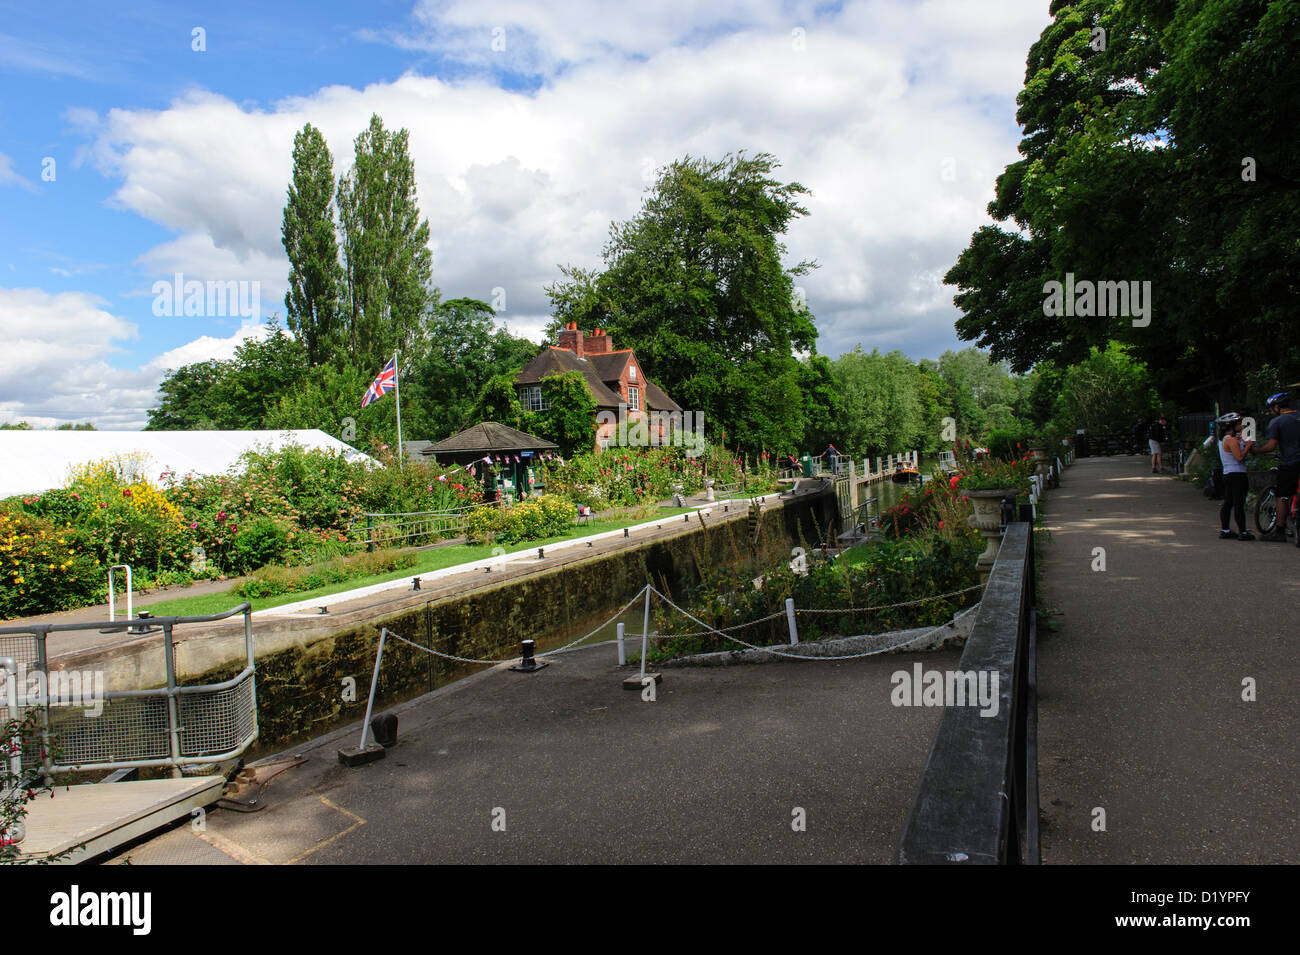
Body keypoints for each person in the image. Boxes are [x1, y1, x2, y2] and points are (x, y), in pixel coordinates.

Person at [1255, 391, 1300, 544]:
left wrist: (1256, 451)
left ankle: (1279, 531)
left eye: (1270, 408)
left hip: (1291, 463)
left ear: (1276, 407)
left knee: (1282, 495)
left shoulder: (1278, 421)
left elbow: (1271, 446)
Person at [1216, 413, 1254, 540]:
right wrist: (1248, 446)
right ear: (1231, 425)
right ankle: (1242, 532)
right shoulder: (1231, 440)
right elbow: (1239, 457)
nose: (1241, 425)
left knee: (1228, 502)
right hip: (1237, 474)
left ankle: (1225, 529)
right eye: (1238, 423)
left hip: (1227, 473)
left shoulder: (1223, 439)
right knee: (1238, 503)